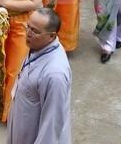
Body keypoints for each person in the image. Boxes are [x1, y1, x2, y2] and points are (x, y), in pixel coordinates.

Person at [4, 8, 72, 144]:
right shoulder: (38, 46)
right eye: (28, 27)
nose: (28, 33)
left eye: (35, 31)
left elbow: (52, 126)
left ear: (52, 36)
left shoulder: (55, 74)